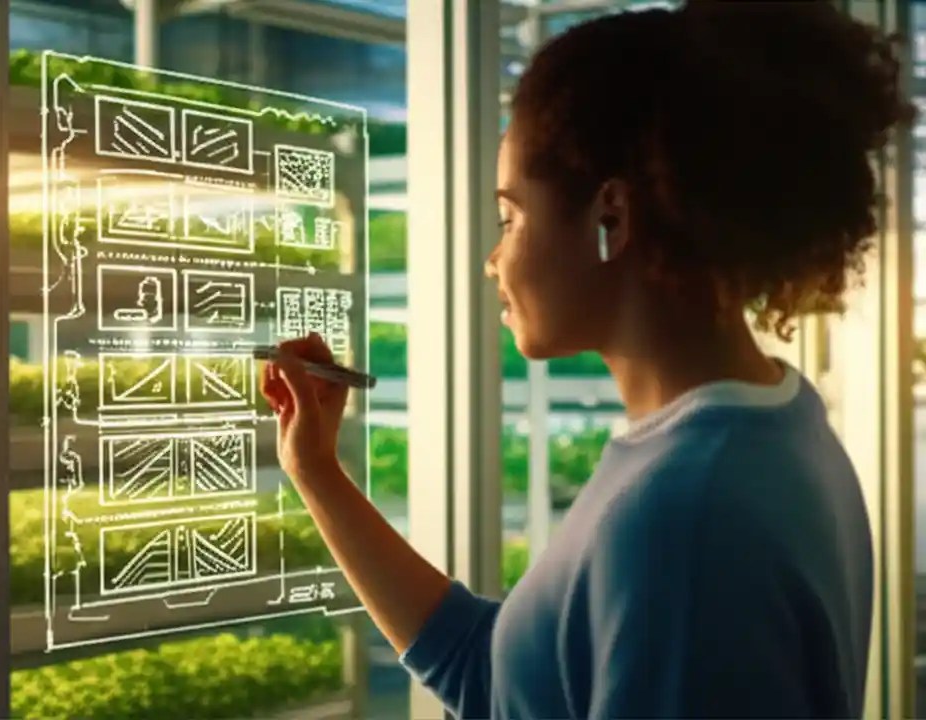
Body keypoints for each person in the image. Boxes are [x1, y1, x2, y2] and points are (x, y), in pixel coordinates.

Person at [258, 1, 917, 718]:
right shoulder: (776, 424)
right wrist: (317, 472)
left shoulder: (681, 525)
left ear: (612, 218)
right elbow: (500, 675)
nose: (492, 261)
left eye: (511, 219)